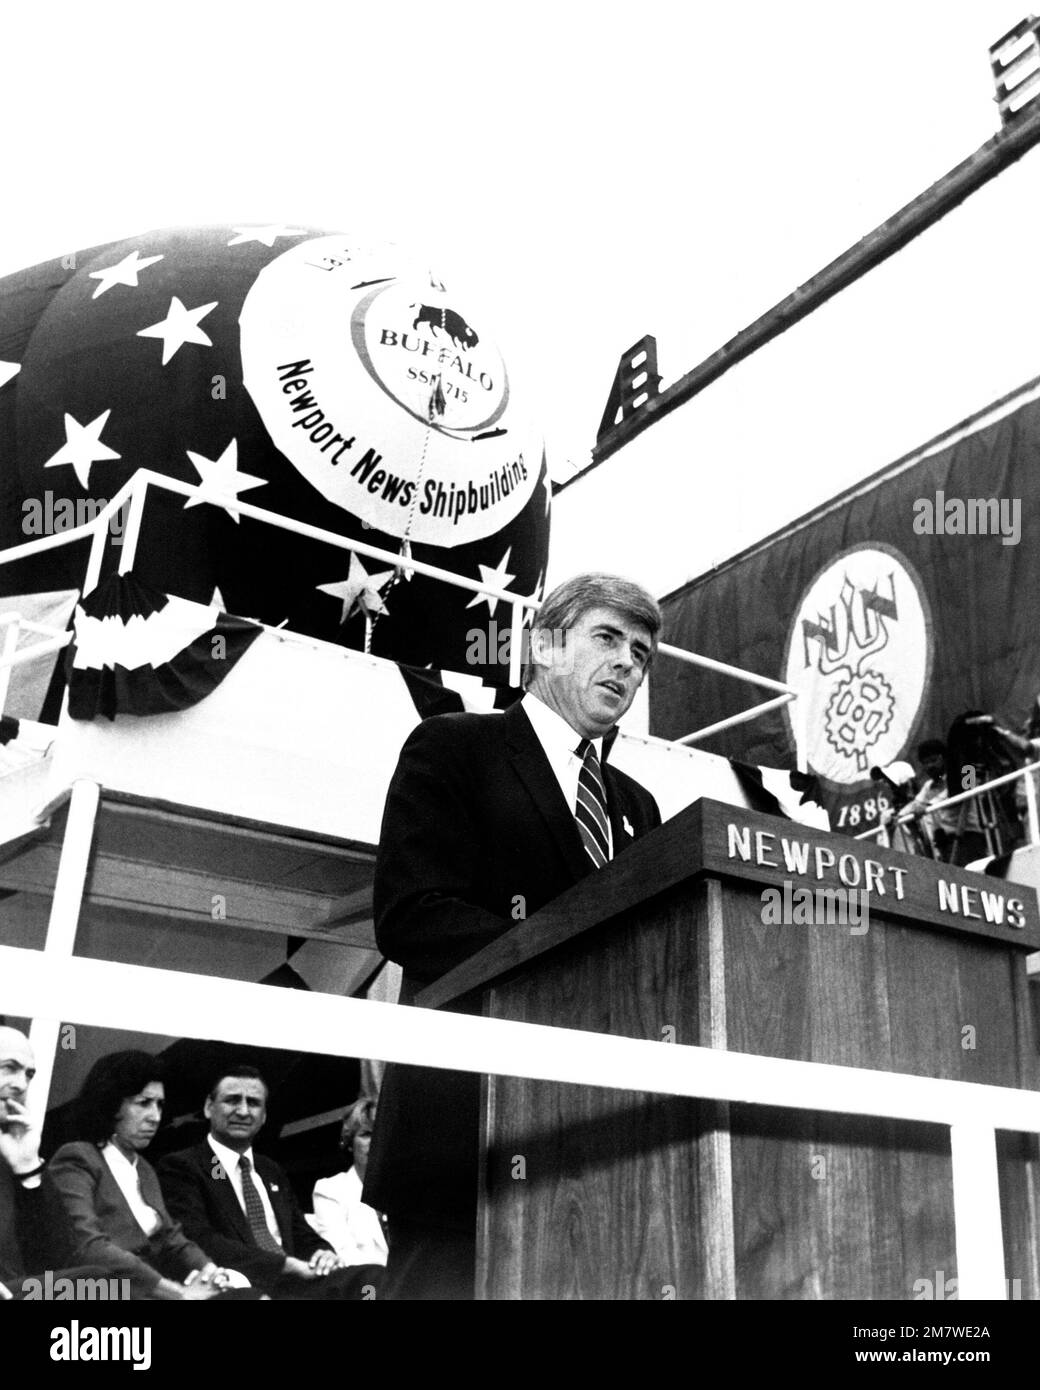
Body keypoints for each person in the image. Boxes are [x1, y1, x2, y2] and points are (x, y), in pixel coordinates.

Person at [364, 572, 663, 1299]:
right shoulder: (453, 747)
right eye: (607, 638)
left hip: (600, 1152)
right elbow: (412, 913)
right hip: (461, 1139)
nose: (628, 662)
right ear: (545, 644)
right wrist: (570, 964)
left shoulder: (640, 807)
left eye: (642, 654)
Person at [44, 1050, 236, 1300]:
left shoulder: (144, 1168)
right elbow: (89, 1247)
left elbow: (172, 1239)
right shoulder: (78, 1158)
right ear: (111, 1104)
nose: (155, 1117)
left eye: (159, 1105)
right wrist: (178, 1293)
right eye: (143, 1103)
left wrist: (212, 1272)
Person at [158, 1063, 361, 1298]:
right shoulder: (184, 1166)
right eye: (232, 1100)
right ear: (208, 1107)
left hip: (298, 1284)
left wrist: (323, 1253)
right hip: (241, 1286)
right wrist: (284, 1265)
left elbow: (300, 1233)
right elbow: (201, 1239)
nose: (243, 1111)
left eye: (253, 1103)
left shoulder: (270, 1170)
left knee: (370, 1280)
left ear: (264, 1116)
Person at [309, 1098, 387, 1273]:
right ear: (349, 1143)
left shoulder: (404, 1188)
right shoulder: (330, 1190)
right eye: (366, 1134)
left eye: (381, 1134)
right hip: (368, 1289)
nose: (375, 1142)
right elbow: (344, 1256)